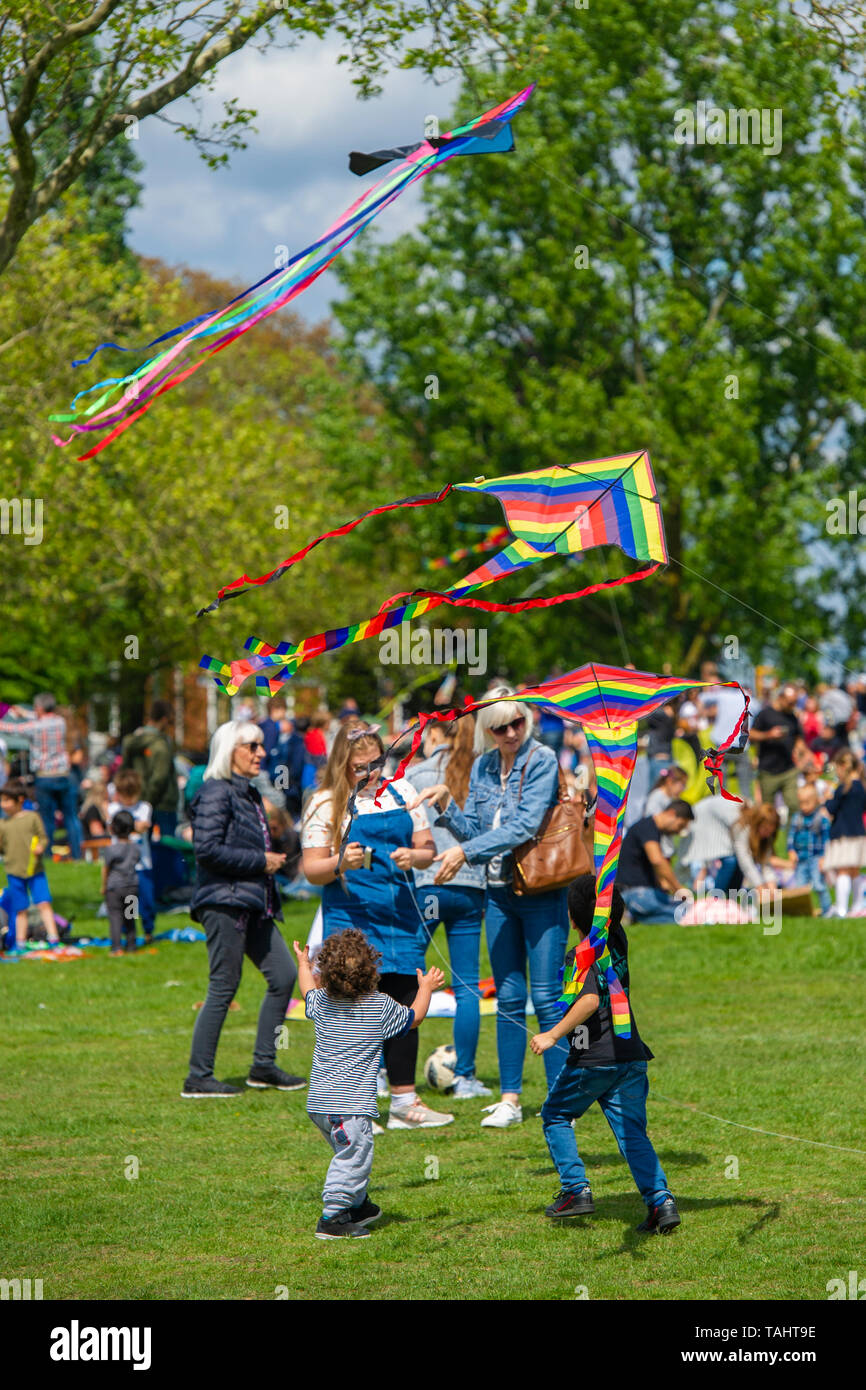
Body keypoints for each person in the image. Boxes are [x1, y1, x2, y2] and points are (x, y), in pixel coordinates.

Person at [414, 688, 571, 1130]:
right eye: (499, 727)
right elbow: (477, 833)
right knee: (508, 998)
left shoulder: (542, 760)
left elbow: (524, 824)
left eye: (516, 723)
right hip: (499, 893)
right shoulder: (483, 765)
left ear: (526, 719)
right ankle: (511, 1099)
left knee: (545, 998)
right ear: (487, 730)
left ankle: (562, 1103)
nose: (510, 733)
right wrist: (445, 805)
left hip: (541, 891)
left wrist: (464, 855)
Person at [301, 722, 452, 1130]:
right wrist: (340, 864)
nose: (370, 773)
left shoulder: (401, 791)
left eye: (376, 764)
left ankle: (404, 1101)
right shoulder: (325, 802)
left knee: (403, 998)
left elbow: (428, 849)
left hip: (401, 911)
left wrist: (414, 857)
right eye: (360, 767)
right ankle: (352, 1104)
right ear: (342, 764)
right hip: (351, 916)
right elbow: (311, 869)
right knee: (352, 1005)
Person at [532, 876, 679, 1235]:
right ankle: (661, 1202)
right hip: (630, 1055)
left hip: (593, 1058)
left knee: (555, 1115)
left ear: (571, 918)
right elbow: (600, 885)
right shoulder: (617, 941)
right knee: (632, 1133)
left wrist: (552, 1035)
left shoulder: (579, 957)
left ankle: (575, 1190)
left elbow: (589, 1001)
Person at [294, 929, 444, 1239]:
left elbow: (307, 989)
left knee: (351, 1154)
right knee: (353, 1155)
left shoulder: (321, 1002)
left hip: (319, 1105)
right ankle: (333, 1217)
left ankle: (358, 1206)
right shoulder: (378, 1007)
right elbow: (414, 1017)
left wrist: (303, 965)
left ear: (327, 972)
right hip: (349, 1108)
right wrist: (426, 987)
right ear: (371, 969)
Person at [182, 720, 304, 1098]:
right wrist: (259, 860)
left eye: (261, 746)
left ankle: (263, 1066)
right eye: (251, 746)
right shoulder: (216, 792)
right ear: (229, 750)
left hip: (253, 901)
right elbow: (206, 850)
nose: (261, 753)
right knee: (224, 985)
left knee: (284, 976)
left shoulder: (247, 792)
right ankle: (198, 1077)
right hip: (224, 902)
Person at [405, 717, 490, 1098]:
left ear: (434, 735)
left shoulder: (415, 773)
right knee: (467, 986)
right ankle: (467, 1078)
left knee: (403, 978)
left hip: (429, 887)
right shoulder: (481, 769)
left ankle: (385, 1074)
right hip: (471, 886)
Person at [0, 695, 82, 859]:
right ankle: (78, 855)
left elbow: (11, 728)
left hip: (45, 776)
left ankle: (46, 853)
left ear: (39, 708)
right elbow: (43, 717)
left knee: (47, 818)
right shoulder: (60, 722)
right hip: (63, 774)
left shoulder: (34, 726)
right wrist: (24, 713)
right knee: (71, 816)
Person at [122, 700, 181, 901]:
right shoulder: (160, 745)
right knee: (166, 847)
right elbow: (160, 778)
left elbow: (125, 771)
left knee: (140, 849)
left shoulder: (133, 742)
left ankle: (141, 892)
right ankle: (164, 892)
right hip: (162, 803)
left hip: (137, 801)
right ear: (164, 719)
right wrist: (149, 802)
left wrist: (138, 801)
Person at [0, 779, 60, 948]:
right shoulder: (3, 824)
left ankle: (54, 938)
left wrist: (41, 846)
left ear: (19, 799)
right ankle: (20, 943)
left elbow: (43, 837)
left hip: (35, 870)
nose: (2, 804)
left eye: (6, 800)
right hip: (14, 871)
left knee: (44, 903)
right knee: (20, 909)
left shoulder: (32, 817)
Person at [616, 800, 694, 922]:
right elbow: (657, 860)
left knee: (684, 912)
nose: (679, 832)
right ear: (671, 814)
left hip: (639, 893)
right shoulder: (647, 827)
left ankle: (632, 916)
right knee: (687, 915)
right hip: (636, 893)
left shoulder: (650, 829)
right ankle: (630, 914)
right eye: (680, 825)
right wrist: (679, 889)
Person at [107, 769, 155, 944]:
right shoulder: (113, 808)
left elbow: (143, 826)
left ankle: (148, 930)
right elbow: (112, 825)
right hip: (120, 868)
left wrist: (125, 825)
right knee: (127, 902)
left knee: (146, 900)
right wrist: (132, 826)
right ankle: (128, 933)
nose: (127, 800)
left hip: (142, 864)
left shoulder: (144, 807)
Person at [823, 750, 866, 917]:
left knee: (842, 871)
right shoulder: (862, 787)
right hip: (858, 833)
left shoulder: (843, 788)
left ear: (842, 767)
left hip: (843, 834)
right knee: (854, 870)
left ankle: (841, 908)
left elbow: (830, 808)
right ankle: (857, 906)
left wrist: (827, 797)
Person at [750, 684, 803, 815]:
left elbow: (798, 738)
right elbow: (750, 734)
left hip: (788, 769)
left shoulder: (793, 717)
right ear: (781, 698)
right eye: (790, 703)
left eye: (795, 703)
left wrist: (800, 751)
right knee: (767, 810)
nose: (793, 706)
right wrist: (768, 734)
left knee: (794, 804)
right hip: (768, 770)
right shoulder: (765, 714)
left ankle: (792, 834)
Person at [786, 784, 832, 916]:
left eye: (807, 803)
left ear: (816, 801)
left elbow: (825, 839)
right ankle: (803, 911)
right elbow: (791, 836)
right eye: (801, 803)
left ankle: (827, 909)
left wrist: (823, 857)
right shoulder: (797, 818)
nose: (804, 806)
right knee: (801, 887)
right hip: (801, 859)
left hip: (816, 858)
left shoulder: (821, 818)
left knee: (819, 884)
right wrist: (791, 850)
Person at [101, 810, 141, 956]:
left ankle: (116, 948)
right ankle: (132, 946)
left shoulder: (111, 849)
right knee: (131, 917)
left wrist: (103, 886)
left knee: (115, 917)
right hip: (133, 886)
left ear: (114, 828)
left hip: (114, 888)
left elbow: (106, 869)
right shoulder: (136, 847)